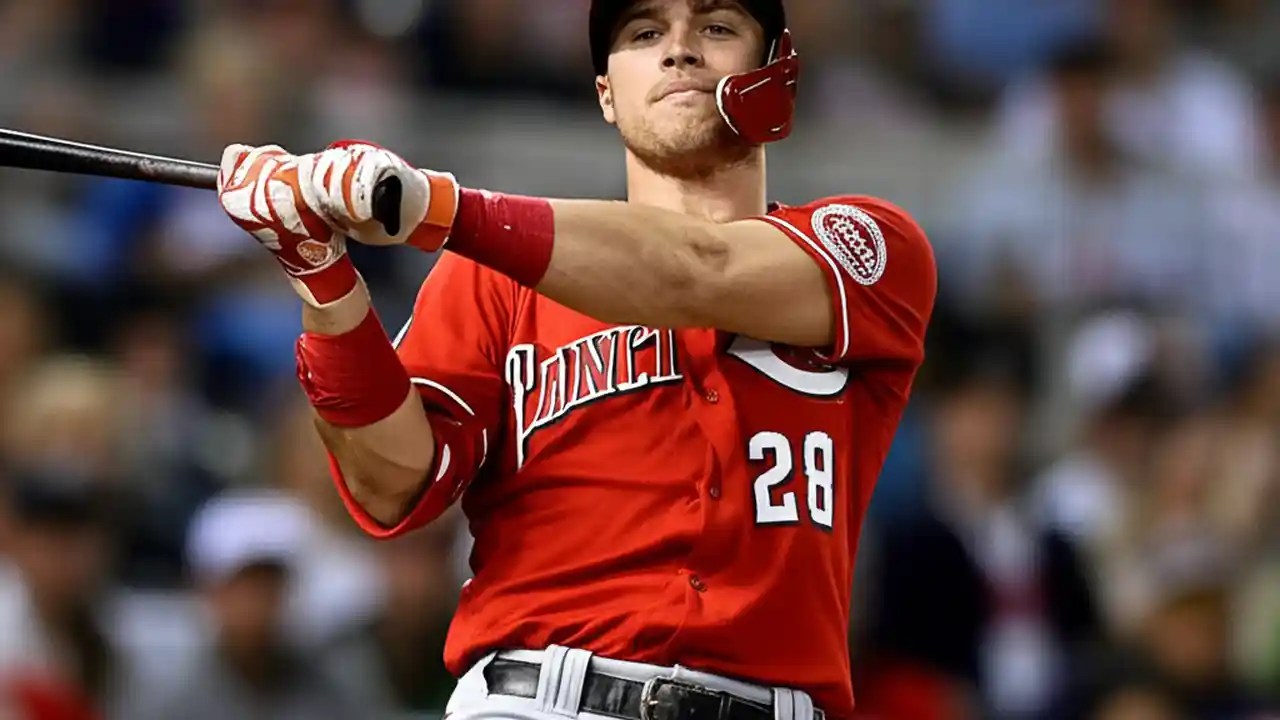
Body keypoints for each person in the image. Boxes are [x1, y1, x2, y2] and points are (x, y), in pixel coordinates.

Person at [214, 1, 937, 719]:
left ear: (778, 70)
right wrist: (324, 281)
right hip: (541, 698)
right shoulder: (490, 279)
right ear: (605, 95)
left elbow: (698, 269)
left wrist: (440, 209)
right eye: (644, 33)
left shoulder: (869, 248)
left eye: (716, 27)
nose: (678, 49)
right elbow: (392, 483)